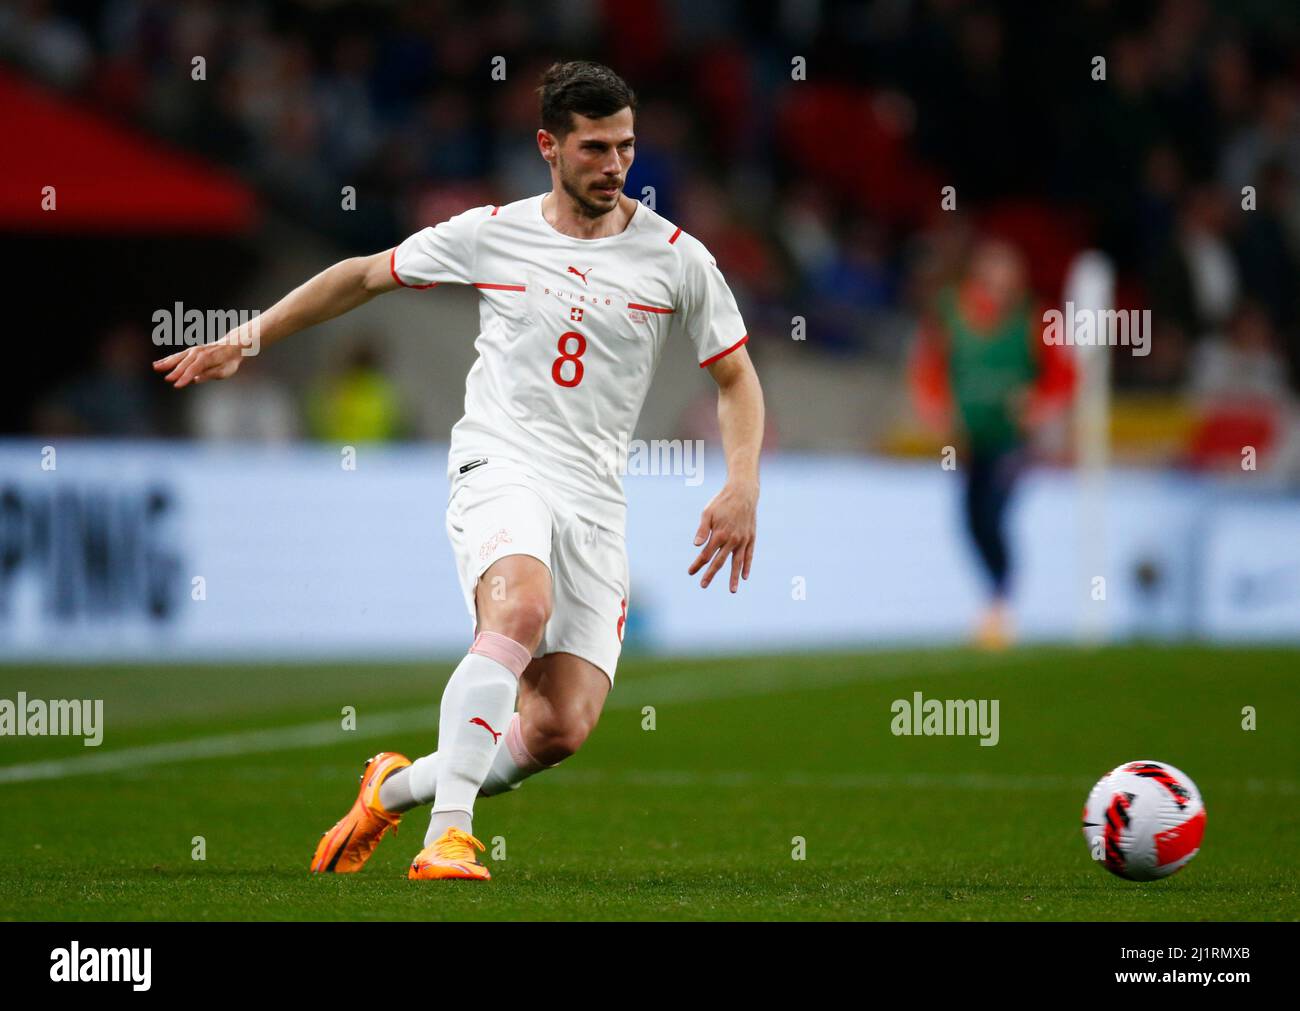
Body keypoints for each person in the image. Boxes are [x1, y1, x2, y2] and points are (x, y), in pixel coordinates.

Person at [153, 61, 765, 882]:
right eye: (593, 148)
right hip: (500, 459)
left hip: (593, 496)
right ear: (549, 146)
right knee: (520, 605)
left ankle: (390, 789)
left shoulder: (679, 260)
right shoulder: (492, 231)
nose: (614, 165)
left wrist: (742, 482)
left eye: (624, 146)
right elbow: (362, 275)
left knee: (558, 729)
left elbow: (735, 377)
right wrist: (247, 337)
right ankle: (449, 833)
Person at [909, 238, 1073, 648]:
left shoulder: (1034, 319)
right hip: (968, 441)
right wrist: (936, 408)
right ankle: (997, 600)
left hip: (1011, 441)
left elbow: (1064, 375)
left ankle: (999, 605)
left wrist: (1038, 404)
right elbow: (929, 366)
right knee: (970, 520)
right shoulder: (950, 313)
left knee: (994, 516)